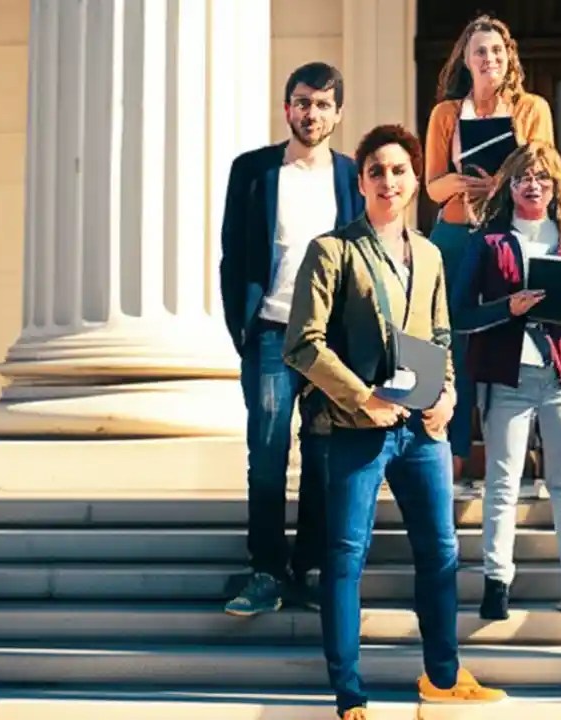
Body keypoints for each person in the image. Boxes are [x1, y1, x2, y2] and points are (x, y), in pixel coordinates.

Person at [283, 125, 506, 719]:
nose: (389, 181)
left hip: (421, 430)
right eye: (376, 171)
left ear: (414, 183)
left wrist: (450, 394)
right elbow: (302, 345)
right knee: (345, 558)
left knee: (440, 551)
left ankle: (441, 675)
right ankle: (349, 693)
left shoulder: (430, 253)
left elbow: (437, 335)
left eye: (399, 171)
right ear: (360, 183)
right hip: (354, 431)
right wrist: (363, 400)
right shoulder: (332, 251)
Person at [452, 142, 561, 620]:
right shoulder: (488, 240)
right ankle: (496, 582)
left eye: (544, 178)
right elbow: (460, 314)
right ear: (510, 184)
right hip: (510, 375)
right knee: (503, 482)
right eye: (525, 176)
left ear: (556, 187)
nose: (534, 185)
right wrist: (509, 307)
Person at [218, 62, 363, 617]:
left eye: (324, 104)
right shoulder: (254, 170)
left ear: (338, 113)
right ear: (287, 108)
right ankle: (265, 571)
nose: (312, 113)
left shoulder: (351, 175)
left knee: (325, 455)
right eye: (303, 102)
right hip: (273, 333)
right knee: (268, 456)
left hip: (330, 340)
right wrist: (243, 326)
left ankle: (309, 568)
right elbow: (234, 253)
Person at [424, 14, 555, 482]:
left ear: (509, 57)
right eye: (480, 51)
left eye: (497, 51)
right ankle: (452, 451)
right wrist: (464, 185)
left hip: (509, 235)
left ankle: (526, 452)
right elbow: (432, 188)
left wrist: (499, 183)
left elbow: (543, 169)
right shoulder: (446, 114)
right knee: (449, 341)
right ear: (466, 58)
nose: (490, 59)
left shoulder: (532, 108)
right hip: (456, 236)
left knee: (517, 335)